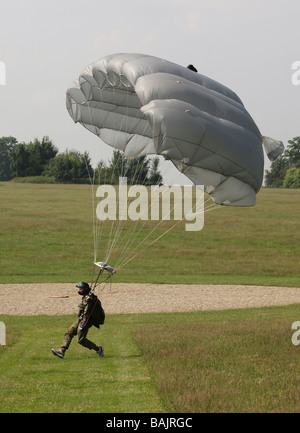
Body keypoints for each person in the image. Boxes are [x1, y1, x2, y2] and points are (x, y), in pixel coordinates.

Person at [51, 281, 104, 359]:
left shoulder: (90, 299)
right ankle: (62, 351)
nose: (79, 291)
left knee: (81, 340)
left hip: (86, 321)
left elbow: (87, 312)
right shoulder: (87, 296)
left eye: (80, 289)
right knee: (69, 333)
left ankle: (99, 349)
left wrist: (83, 324)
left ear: (85, 289)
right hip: (81, 319)